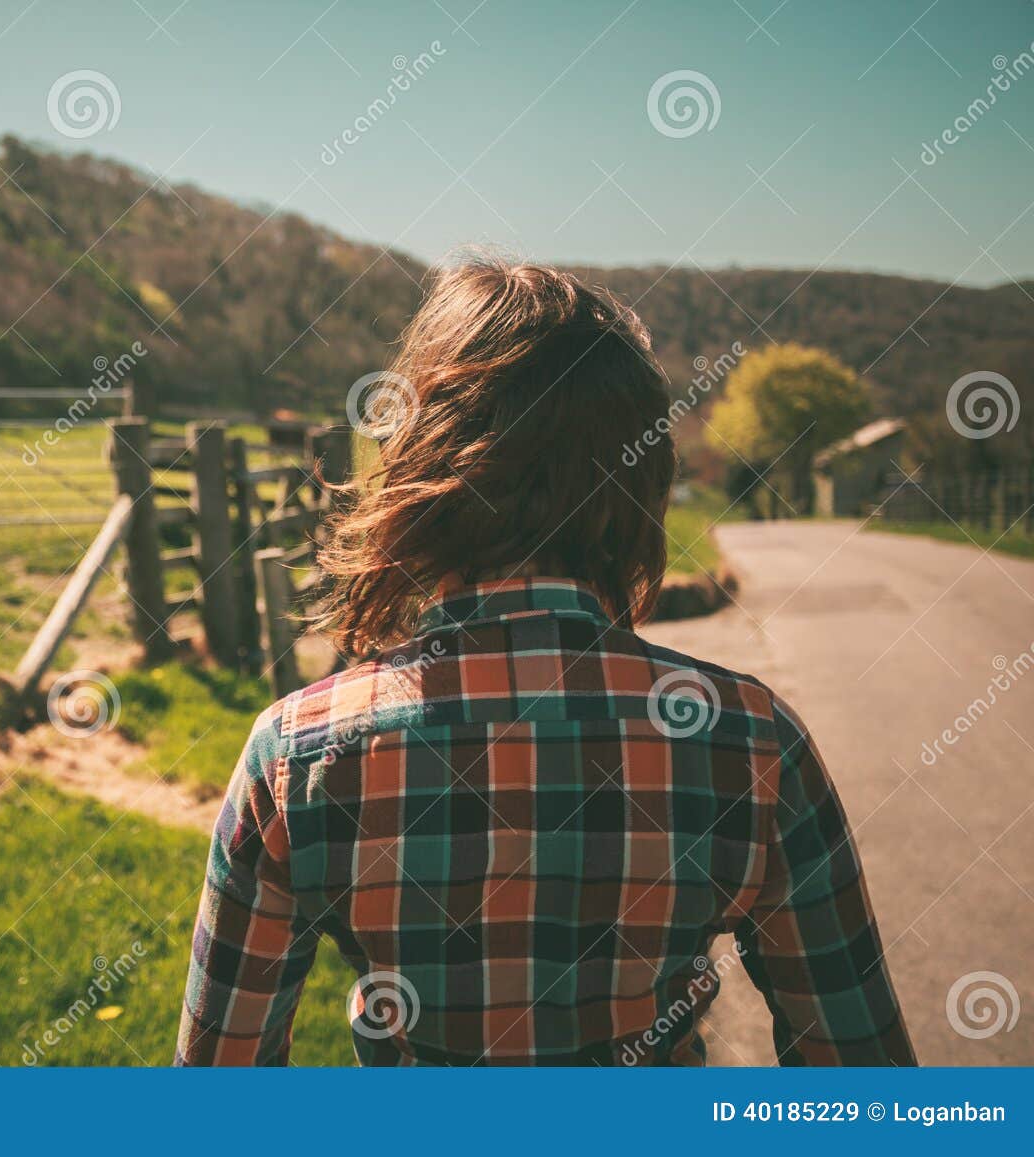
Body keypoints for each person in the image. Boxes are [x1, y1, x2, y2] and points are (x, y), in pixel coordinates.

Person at [174, 257, 915, 1066]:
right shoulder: (753, 743)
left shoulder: (296, 754)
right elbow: (863, 1074)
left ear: (420, 466)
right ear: (644, 488)